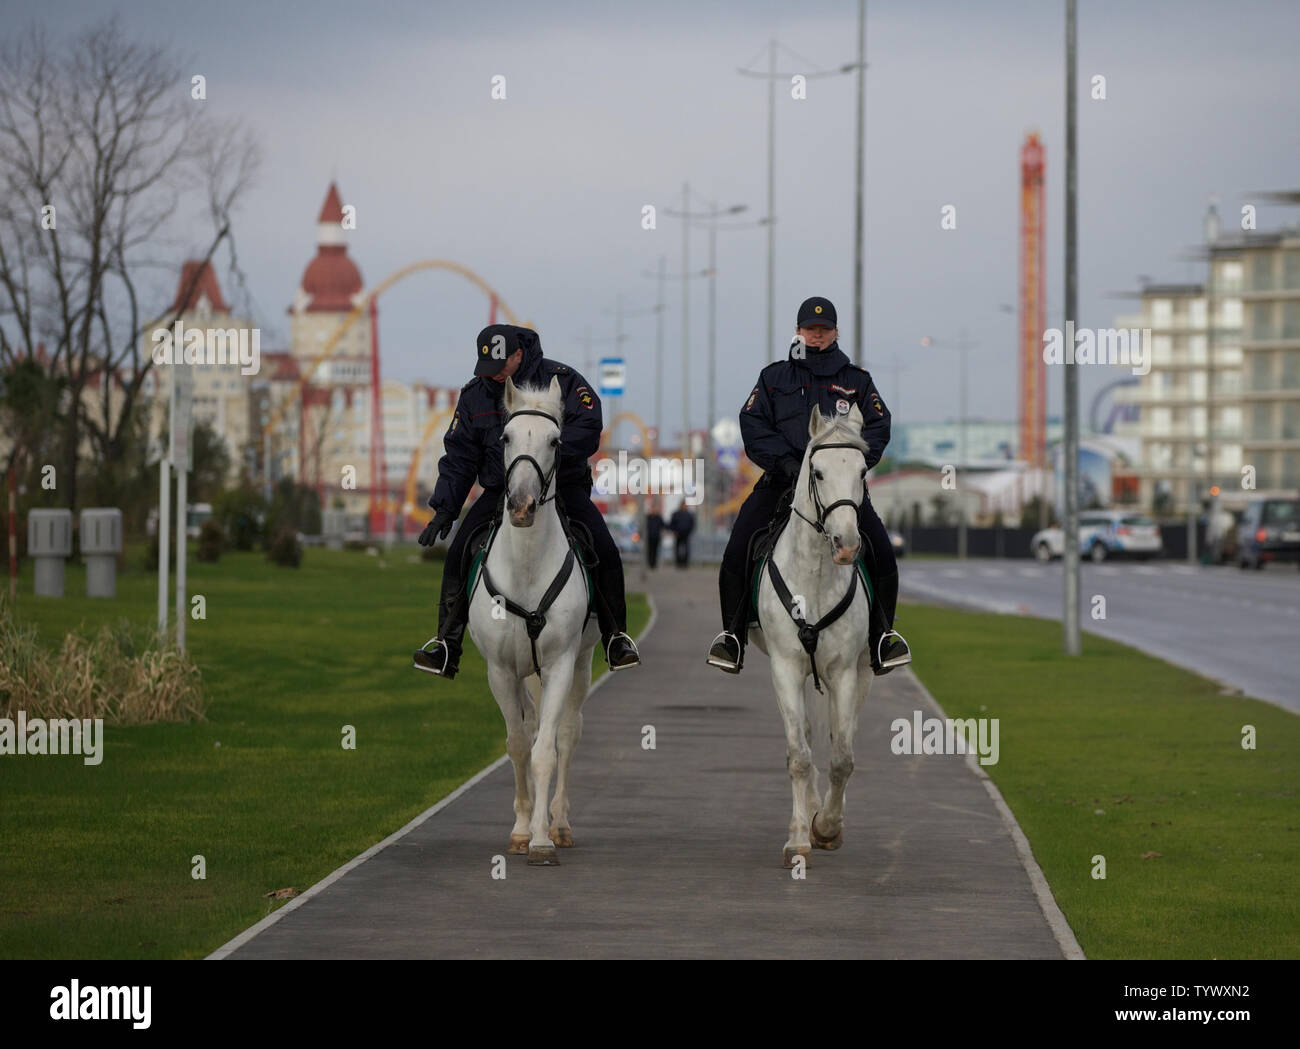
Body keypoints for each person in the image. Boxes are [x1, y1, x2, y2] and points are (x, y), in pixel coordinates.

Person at [413, 324, 641, 679]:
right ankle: (446, 643)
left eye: (501, 366)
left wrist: (552, 456)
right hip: (499, 493)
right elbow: (460, 456)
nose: (494, 376)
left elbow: (590, 425)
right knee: (458, 555)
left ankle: (616, 637)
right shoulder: (475, 395)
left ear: (519, 354)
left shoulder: (563, 382)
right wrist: (445, 508)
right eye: (488, 369)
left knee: (605, 550)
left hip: (562, 488)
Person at [707, 296, 911, 675]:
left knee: (882, 553)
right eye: (810, 329)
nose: (817, 336)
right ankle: (732, 637)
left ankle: (883, 637)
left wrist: (853, 467)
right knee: (738, 549)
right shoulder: (773, 378)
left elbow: (880, 428)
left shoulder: (857, 381)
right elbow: (753, 426)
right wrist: (786, 463)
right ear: (798, 331)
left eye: (824, 329)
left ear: (835, 332)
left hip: (840, 493)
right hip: (781, 484)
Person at [645, 499, 665, 570]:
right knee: (650, 550)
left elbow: (663, 525)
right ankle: (650, 563)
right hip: (649, 536)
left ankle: (654, 564)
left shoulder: (658, 517)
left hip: (656, 536)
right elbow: (644, 526)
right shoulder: (648, 517)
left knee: (655, 550)